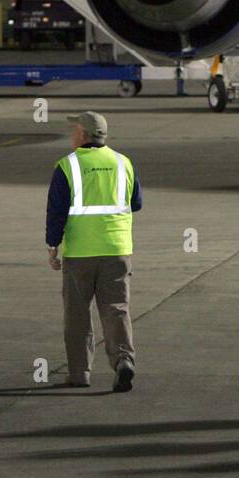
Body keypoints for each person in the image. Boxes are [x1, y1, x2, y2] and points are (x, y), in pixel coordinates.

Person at [46, 111, 142, 392]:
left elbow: (56, 212)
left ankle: (79, 373)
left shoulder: (67, 166)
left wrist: (53, 246)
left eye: (74, 129)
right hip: (117, 249)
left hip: (80, 253)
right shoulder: (123, 162)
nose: (71, 134)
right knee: (116, 309)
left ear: (83, 135)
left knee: (77, 314)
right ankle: (124, 360)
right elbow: (135, 202)